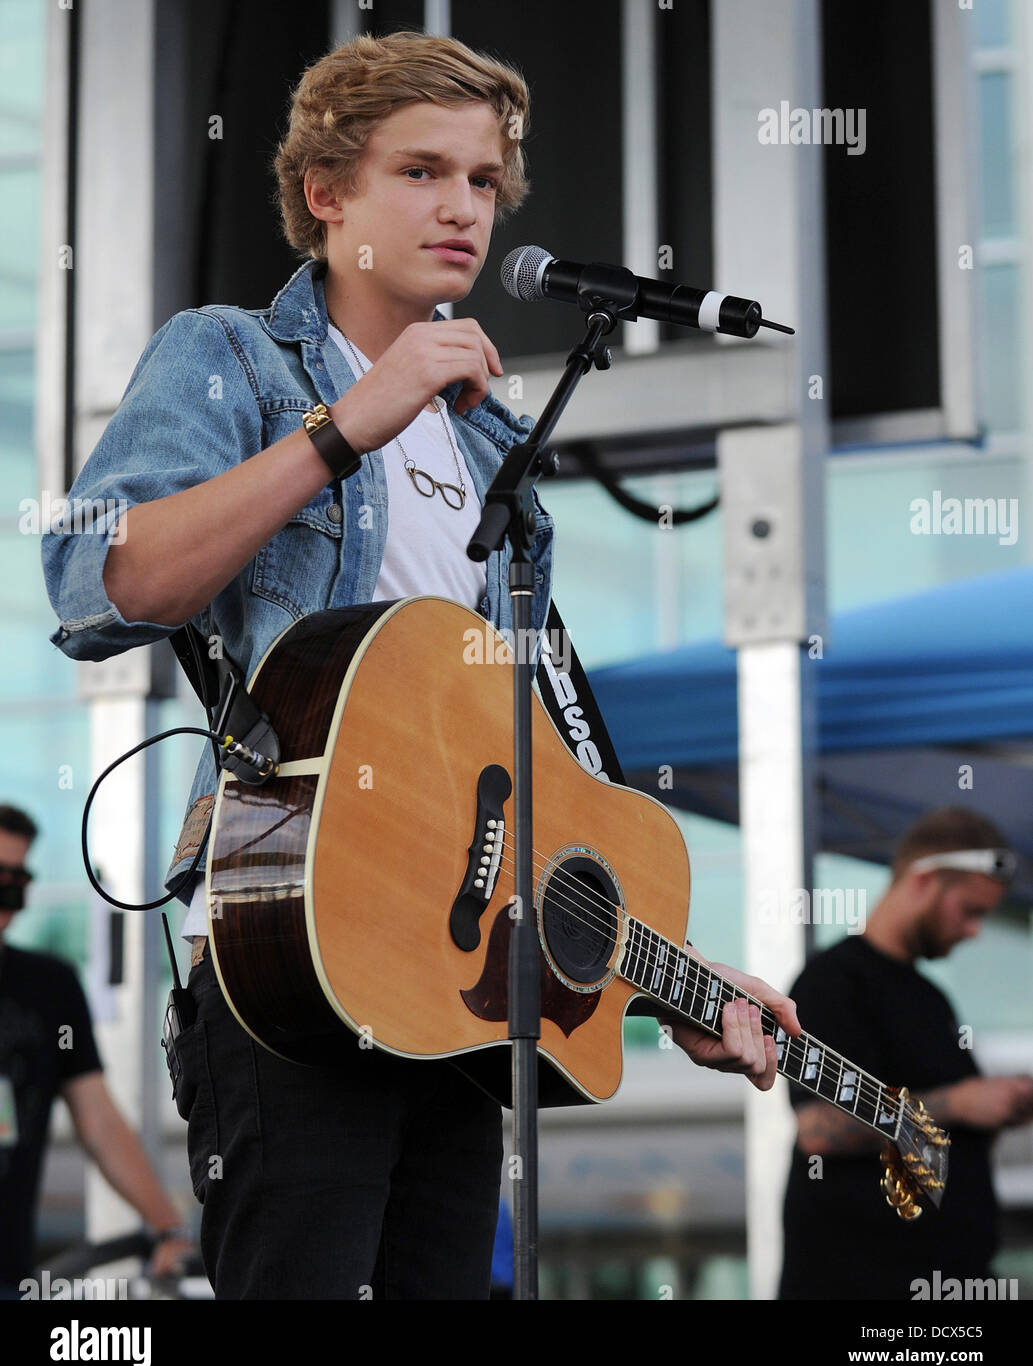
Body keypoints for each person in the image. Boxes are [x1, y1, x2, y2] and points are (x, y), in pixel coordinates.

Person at [43, 31, 799, 1299]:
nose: (463, 207)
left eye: (484, 180)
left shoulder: (494, 443)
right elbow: (98, 584)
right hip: (288, 936)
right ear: (326, 194)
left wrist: (668, 964)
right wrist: (348, 425)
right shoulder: (229, 354)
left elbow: (539, 762)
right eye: (421, 171)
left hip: (453, 985)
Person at [779, 806, 1033, 1301]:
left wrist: (999, 1104)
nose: (974, 931)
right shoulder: (832, 983)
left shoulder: (931, 999)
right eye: (970, 911)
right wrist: (961, 1103)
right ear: (924, 881)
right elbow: (817, 1129)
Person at [0, 804, 192, 1299]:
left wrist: (166, 1227)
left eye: (17, 879)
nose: (8, 893)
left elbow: (99, 1120)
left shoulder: (50, 987)